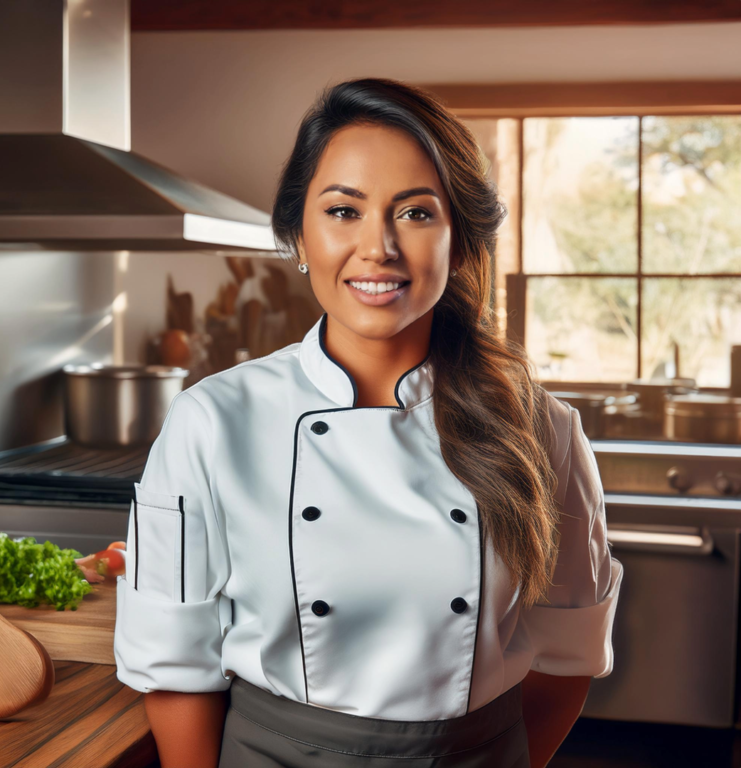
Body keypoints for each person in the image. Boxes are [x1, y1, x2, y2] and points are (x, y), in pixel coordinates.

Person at [113, 77, 624, 768]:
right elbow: (175, 669)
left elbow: (567, 657)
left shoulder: (541, 429)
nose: (377, 246)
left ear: (462, 242)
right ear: (298, 232)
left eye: (415, 213)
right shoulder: (212, 422)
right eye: (343, 211)